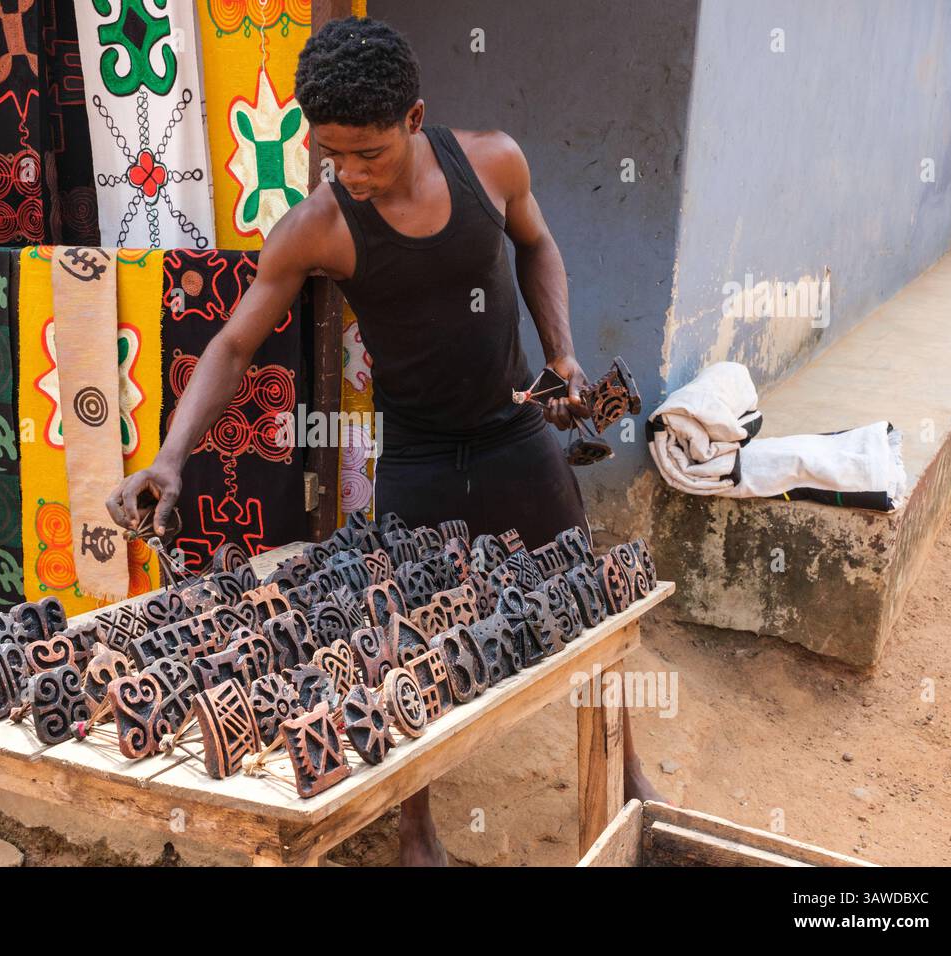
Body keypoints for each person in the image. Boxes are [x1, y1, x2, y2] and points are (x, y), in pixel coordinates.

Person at [107, 15, 662, 866]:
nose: (353, 175)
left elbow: (538, 245)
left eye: (369, 153)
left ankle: (626, 769)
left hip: (515, 430)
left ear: (413, 118)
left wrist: (562, 355)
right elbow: (231, 344)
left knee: (590, 605)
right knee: (397, 637)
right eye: (334, 155)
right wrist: (170, 456)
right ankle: (417, 831)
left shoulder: (494, 163)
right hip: (418, 456)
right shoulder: (316, 228)